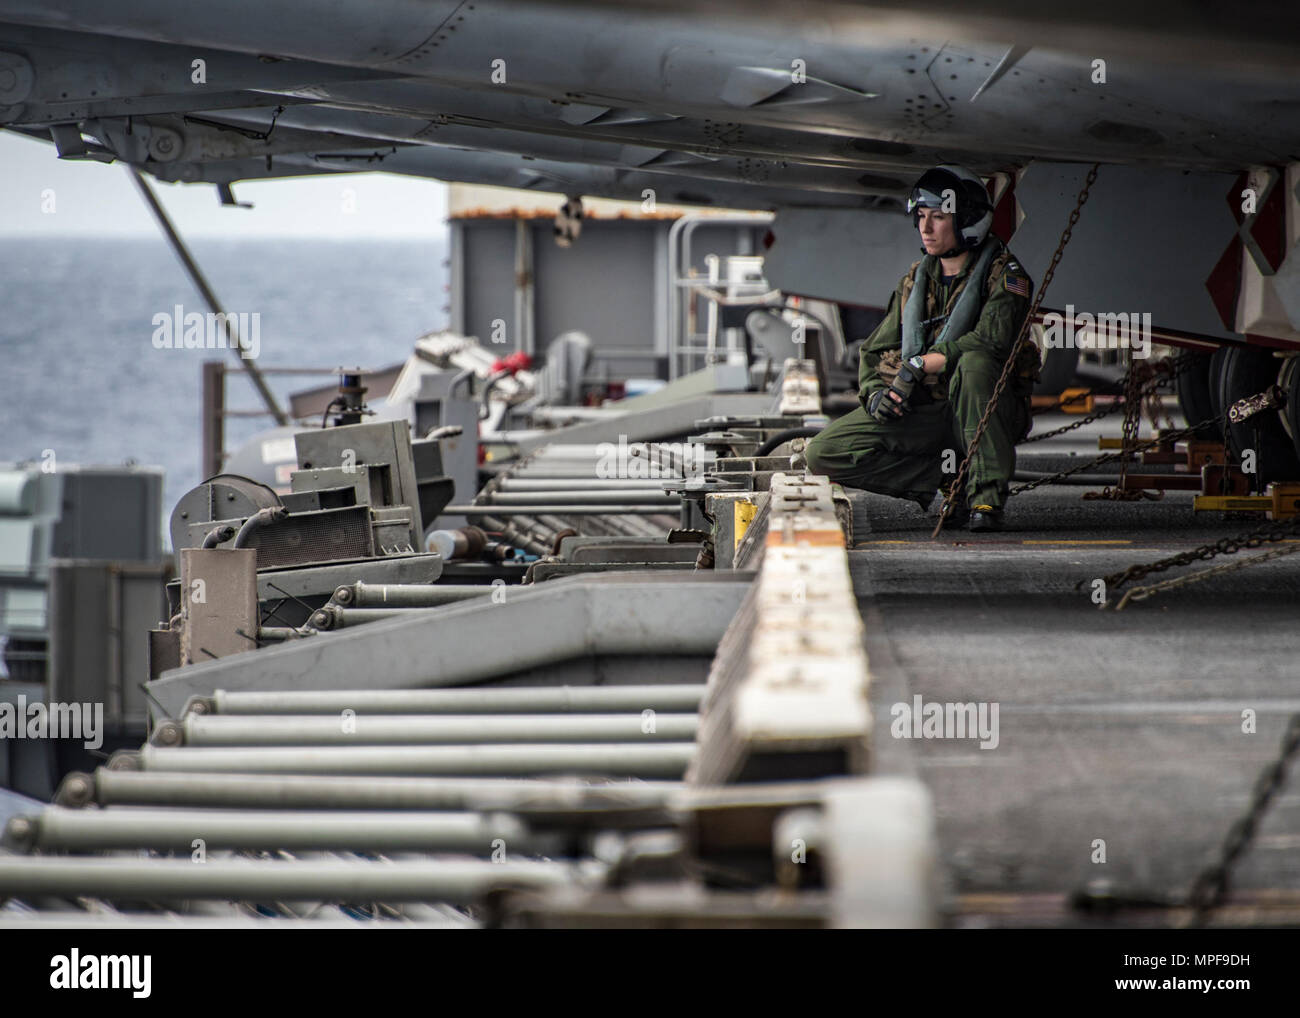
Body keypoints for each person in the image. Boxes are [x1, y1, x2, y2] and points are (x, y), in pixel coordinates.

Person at [804, 164, 1039, 531]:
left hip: (981, 408)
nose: (925, 228)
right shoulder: (914, 282)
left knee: (975, 364)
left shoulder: (1006, 276)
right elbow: (873, 350)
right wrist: (877, 393)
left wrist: (926, 362)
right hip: (924, 410)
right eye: (921, 217)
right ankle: (943, 481)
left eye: (939, 217)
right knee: (823, 453)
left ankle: (986, 499)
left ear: (968, 219)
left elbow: (992, 340)